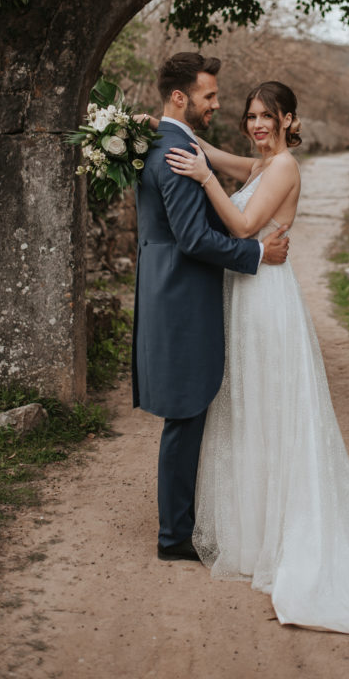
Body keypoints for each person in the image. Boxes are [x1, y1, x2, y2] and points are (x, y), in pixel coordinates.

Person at [165, 80, 349, 659]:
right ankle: (257, 537)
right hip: (248, 299)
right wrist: (181, 136)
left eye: (266, 117)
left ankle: (294, 545)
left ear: (288, 119)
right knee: (249, 412)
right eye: (250, 115)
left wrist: (201, 180)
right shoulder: (261, 162)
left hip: (267, 303)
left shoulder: (284, 169)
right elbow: (229, 159)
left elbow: (242, 230)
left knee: (273, 412)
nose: (256, 125)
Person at [132, 54, 290, 564]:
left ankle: (199, 520)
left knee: (200, 407)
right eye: (210, 97)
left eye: (263, 115)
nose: (219, 105)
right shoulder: (174, 149)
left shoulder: (169, 142)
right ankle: (174, 535)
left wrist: (166, 131)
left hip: (170, 287)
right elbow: (195, 237)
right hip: (182, 293)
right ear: (180, 97)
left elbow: (224, 163)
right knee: (187, 409)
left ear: (286, 121)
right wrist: (258, 253)